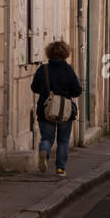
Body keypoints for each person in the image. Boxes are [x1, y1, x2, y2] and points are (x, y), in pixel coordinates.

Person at [31, 40, 83, 176]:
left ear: (49, 53)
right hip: (65, 111)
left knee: (47, 138)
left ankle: (45, 151)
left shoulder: (43, 70)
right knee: (63, 140)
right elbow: (77, 91)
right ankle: (60, 168)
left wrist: (47, 91)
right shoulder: (68, 70)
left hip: (46, 108)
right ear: (65, 53)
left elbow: (34, 87)